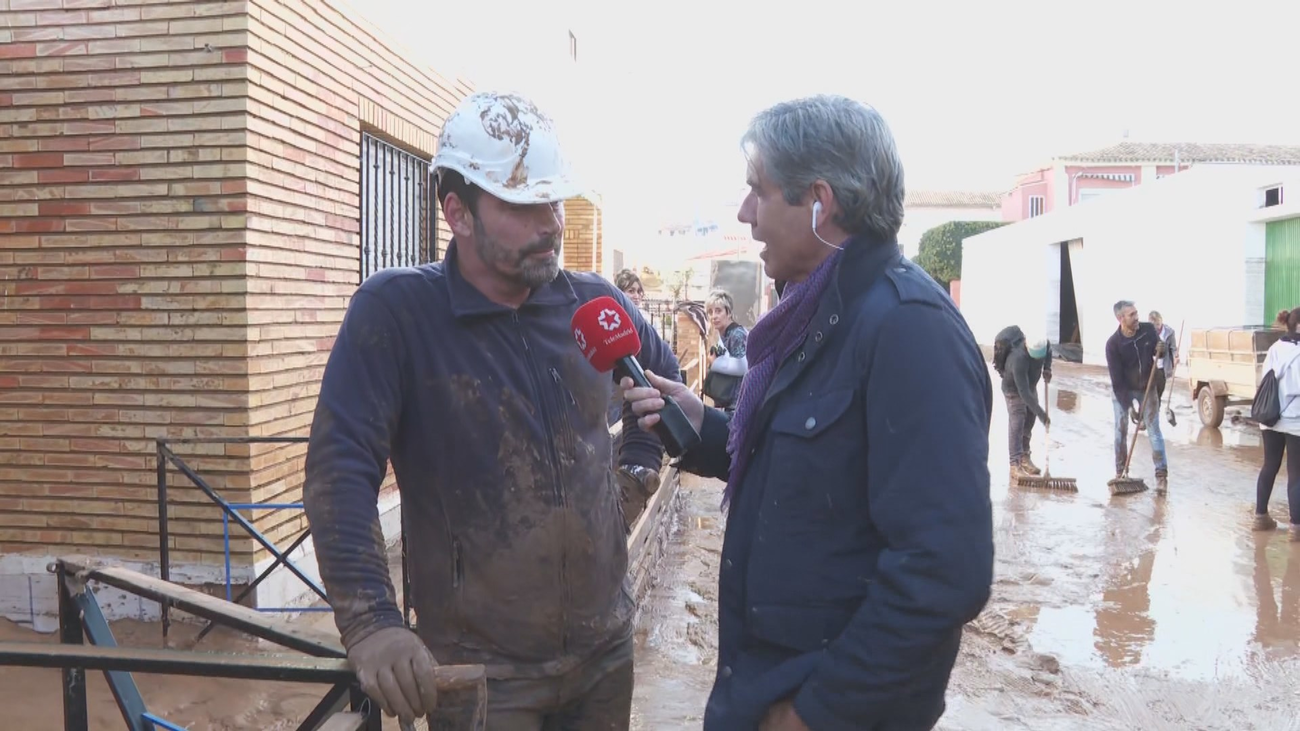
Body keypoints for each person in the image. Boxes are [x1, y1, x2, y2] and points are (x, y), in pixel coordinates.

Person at [302, 91, 682, 729]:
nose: (552, 224)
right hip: (481, 678)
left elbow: (661, 380)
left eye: (554, 201)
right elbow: (340, 471)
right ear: (458, 212)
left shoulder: (594, 304)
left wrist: (637, 472)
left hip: (604, 651)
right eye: (523, 205)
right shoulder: (398, 314)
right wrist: (372, 623)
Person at [621, 94, 994, 731]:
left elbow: (943, 569)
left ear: (821, 203)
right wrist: (703, 427)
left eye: (757, 192)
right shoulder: (813, 318)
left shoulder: (908, 330)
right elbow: (804, 466)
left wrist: (818, 711)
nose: (745, 214)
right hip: (761, 687)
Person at [608, 267, 666, 529]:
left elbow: (662, 367)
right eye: (629, 291)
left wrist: (637, 471)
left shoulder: (600, 305)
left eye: (637, 291)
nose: (636, 296)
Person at [1105, 300, 1169, 494]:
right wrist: (1129, 406)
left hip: (1147, 386)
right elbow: (1117, 382)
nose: (1136, 317)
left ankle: (1161, 475)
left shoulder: (1148, 330)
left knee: (1153, 429)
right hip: (1124, 389)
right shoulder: (1113, 345)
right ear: (1120, 318)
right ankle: (1120, 472)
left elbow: (1159, 352)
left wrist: (1162, 350)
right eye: (1131, 315)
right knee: (1120, 429)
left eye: (1136, 313)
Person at [1254, 307, 1300, 534]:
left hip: (1270, 416)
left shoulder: (1274, 348)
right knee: (1296, 472)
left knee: (1270, 465)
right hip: (1296, 419)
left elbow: (1265, 379)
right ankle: (1296, 527)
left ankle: (1260, 517)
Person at [992, 326, 1053, 479]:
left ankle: (1025, 457)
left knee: (1030, 420)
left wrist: (1047, 368)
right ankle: (1015, 464)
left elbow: (1049, 353)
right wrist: (1042, 413)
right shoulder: (1017, 359)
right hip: (1014, 390)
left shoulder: (1044, 345)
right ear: (1027, 345)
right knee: (1017, 423)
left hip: (1030, 385)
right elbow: (1023, 392)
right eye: (1035, 356)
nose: (1038, 359)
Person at [702, 289, 749, 413]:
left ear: (728, 313)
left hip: (739, 403)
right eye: (710, 312)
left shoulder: (736, 334)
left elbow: (743, 367)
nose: (714, 316)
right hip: (730, 402)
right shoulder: (724, 334)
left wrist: (715, 363)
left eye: (718, 311)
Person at [1148, 310, 1178, 399]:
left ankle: (1157, 410)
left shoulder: (1169, 332)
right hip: (1149, 367)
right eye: (1153, 325)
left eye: (1158, 324)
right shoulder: (1147, 332)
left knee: (1159, 394)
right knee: (1149, 394)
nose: (1156, 328)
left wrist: (1175, 357)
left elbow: (1173, 348)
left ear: (1161, 321)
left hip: (1162, 368)